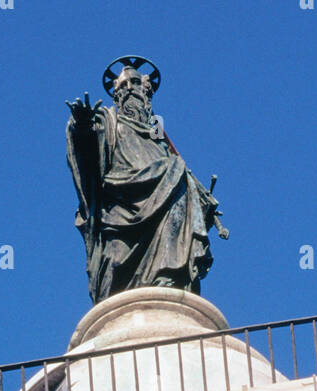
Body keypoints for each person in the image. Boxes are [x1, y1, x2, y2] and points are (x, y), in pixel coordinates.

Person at [66, 55, 228, 303]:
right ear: (115, 94)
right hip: (119, 209)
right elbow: (85, 157)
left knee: (175, 170)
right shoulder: (107, 122)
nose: (129, 89)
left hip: (165, 205)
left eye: (134, 83)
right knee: (116, 264)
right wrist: (82, 126)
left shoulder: (159, 138)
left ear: (146, 90)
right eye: (122, 86)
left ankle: (169, 275)